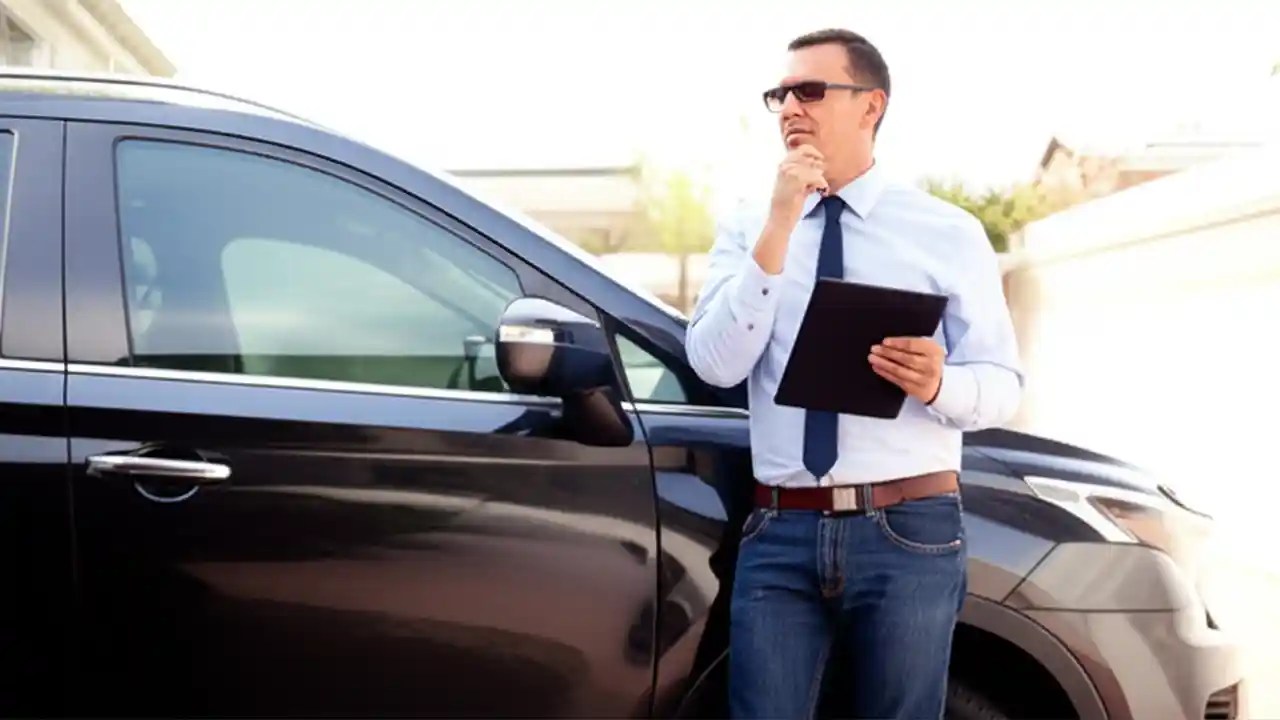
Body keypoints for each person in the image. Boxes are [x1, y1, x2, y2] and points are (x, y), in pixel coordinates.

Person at [685, 28, 1025, 720]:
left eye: (810, 90)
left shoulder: (946, 233)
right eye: (778, 94)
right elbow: (716, 362)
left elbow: (1005, 384)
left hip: (910, 528)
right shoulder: (749, 226)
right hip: (781, 529)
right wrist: (779, 227)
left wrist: (940, 385)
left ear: (872, 106)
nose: (788, 108)